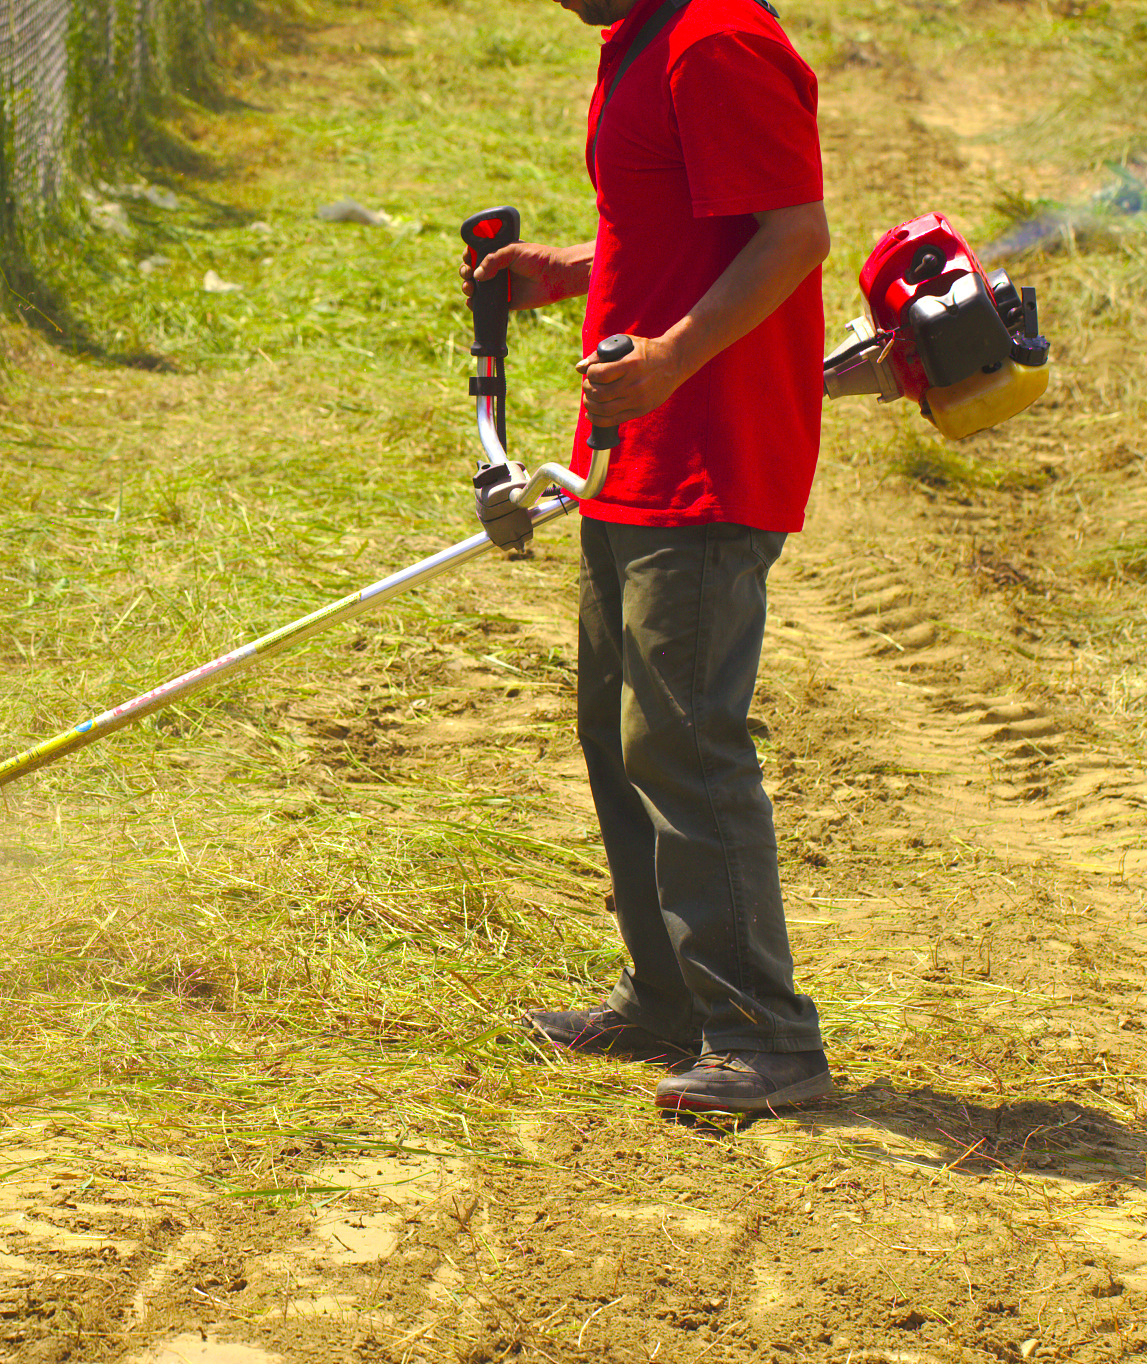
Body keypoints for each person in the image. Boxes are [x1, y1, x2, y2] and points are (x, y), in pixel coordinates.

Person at [458, 0, 833, 1113]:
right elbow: (683, 222)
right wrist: (569, 270)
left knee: (680, 739)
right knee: (614, 725)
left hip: (707, 453)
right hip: (630, 452)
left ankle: (766, 1036)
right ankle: (667, 995)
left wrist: (668, 356)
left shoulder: (715, 40)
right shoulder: (640, 37)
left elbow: (792, 233)